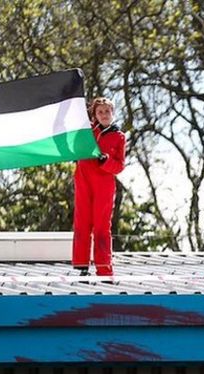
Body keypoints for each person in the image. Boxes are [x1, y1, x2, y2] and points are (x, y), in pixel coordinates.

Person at [73, 97, 126, 276]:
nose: (104, 115)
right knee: (82, 222)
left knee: (101, 226)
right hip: (83, 179)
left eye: (107, 111)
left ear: (113, 113)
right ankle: (81, 265)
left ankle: (104, 269)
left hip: (104, 183)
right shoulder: (86, 131)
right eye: (100, 112)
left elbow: (119, 166)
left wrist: (107, 161)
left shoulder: (119, 136)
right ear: (94, 115)